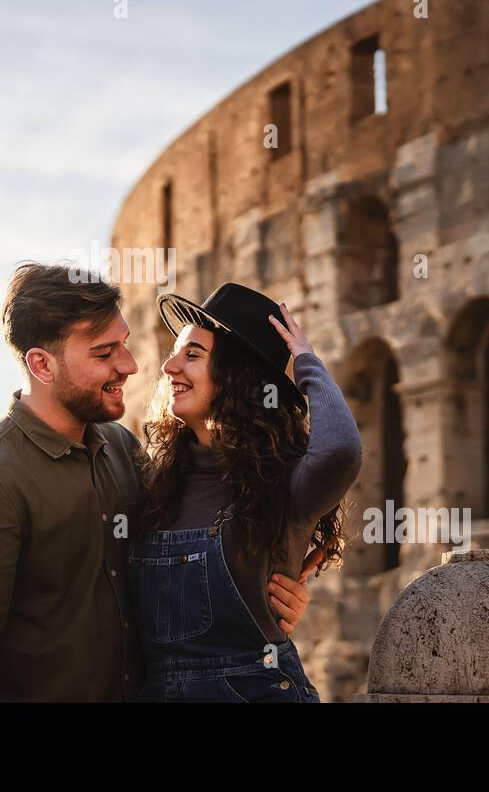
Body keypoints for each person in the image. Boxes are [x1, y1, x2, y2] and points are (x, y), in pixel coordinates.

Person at [0, 263, 315, 702]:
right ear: (42, 365)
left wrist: (263, 591)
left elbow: (185, 559)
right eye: (104, 353)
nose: (129, 365)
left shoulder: (123, 449)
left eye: (124, 345)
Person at [130, 282, 363, 702]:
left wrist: (306, 361)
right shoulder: (154, 480)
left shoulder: (286, 484)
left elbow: (342, 450)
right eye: (174, 352)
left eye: (193, 355)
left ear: (237, 377)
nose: (169, 368)